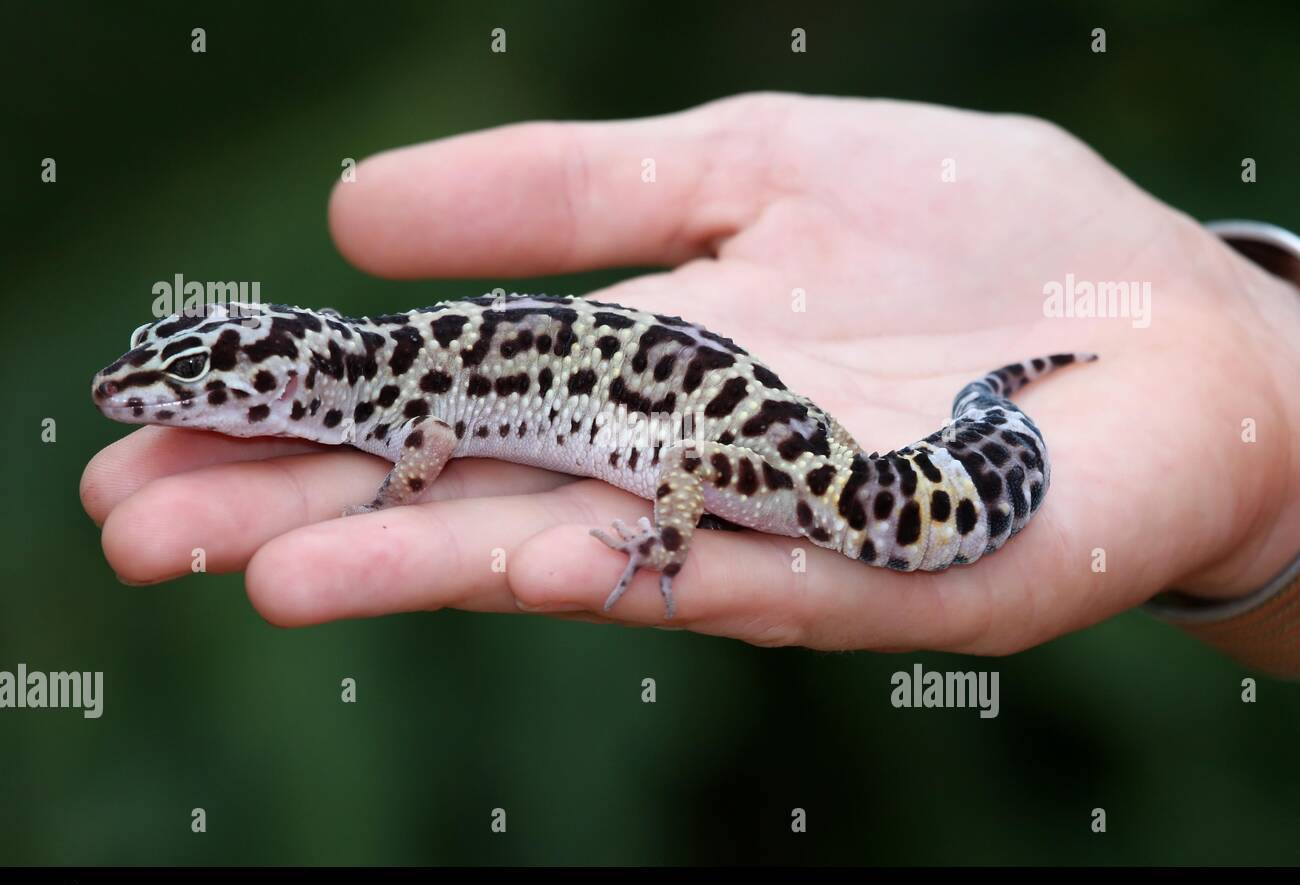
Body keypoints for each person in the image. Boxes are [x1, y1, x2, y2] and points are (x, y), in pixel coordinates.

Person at [80, 93, 1300, 674]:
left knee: (699, 472)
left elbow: (429, 443)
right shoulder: (391, 380)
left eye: (186, 391)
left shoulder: (401, 396)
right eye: (182, 391)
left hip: (773, 473)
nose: (158, 399)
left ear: (283, 378)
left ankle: (924, 446)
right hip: (788, 441)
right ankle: (979, 419)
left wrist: (660, 525)